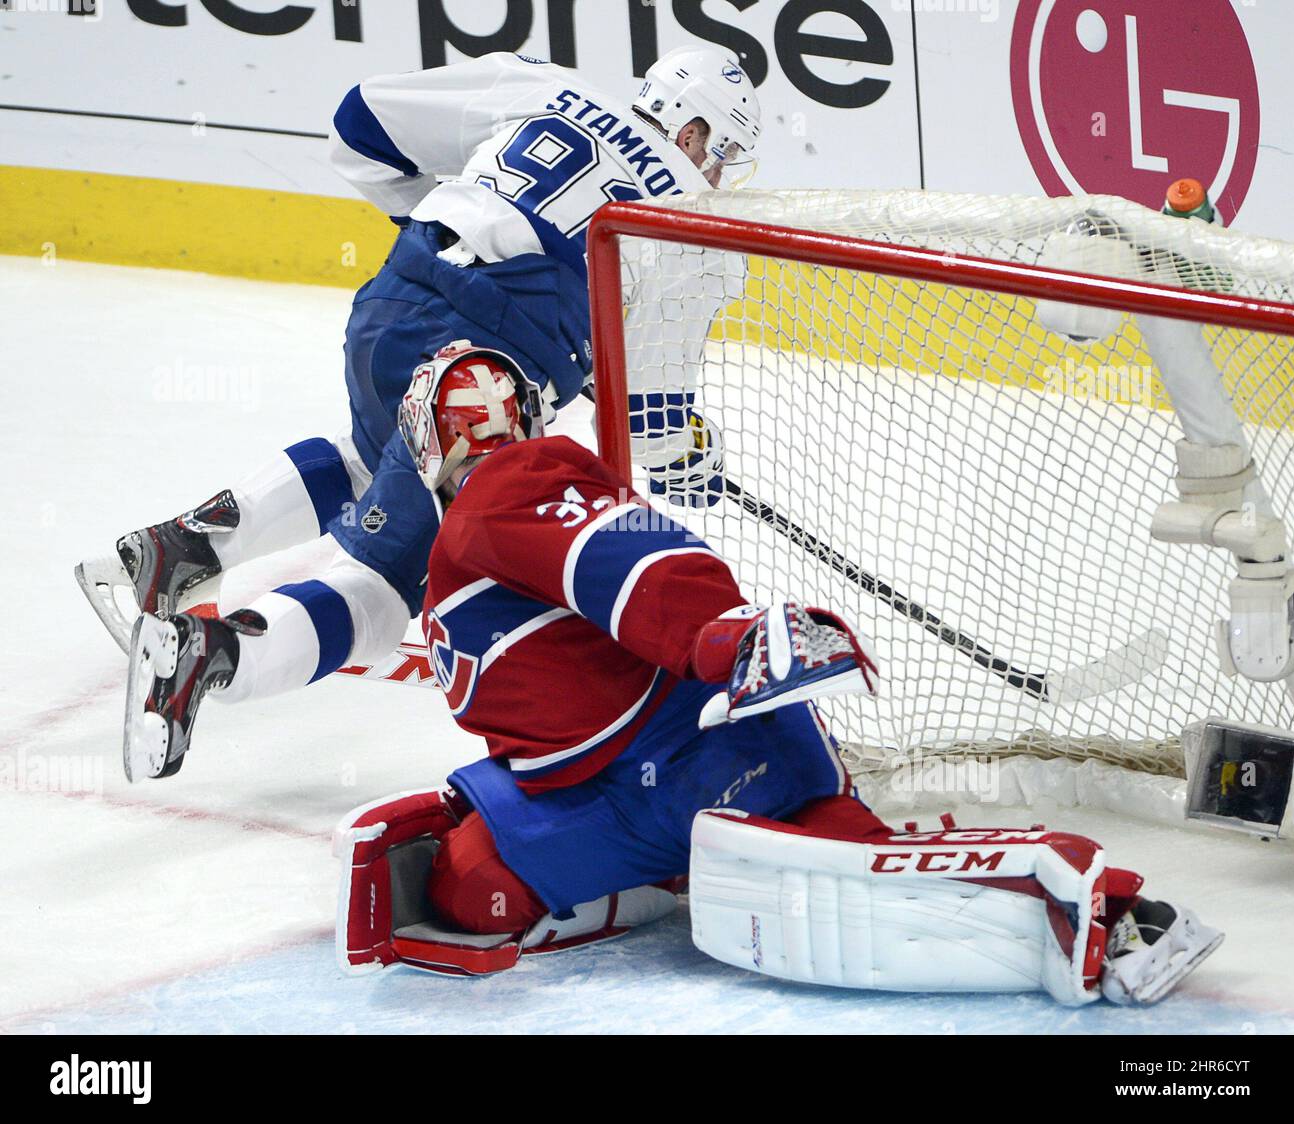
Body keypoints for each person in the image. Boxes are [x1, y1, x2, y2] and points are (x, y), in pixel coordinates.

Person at [329, 342, 1223, 1007]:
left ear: (424, 443)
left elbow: (621, 554)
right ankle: (696, 868)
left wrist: (724, 636)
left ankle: (1103, 904)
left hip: (701, 749)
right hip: (611, 789)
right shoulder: (480, 532)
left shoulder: (507, 489)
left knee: (844, 876)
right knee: (467, 888)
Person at [86, 45, 761, 779]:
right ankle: (212, 655)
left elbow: (360, 125)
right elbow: (647, 421)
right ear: (694, 134)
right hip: (479, 374)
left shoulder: (546, 87)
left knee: (373, 459)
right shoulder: (694, 230)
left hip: (393, 301)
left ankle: (183, 546)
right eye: (721, 153)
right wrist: (695, 465)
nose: (717, 175)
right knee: (385, 593)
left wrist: (452, 231)